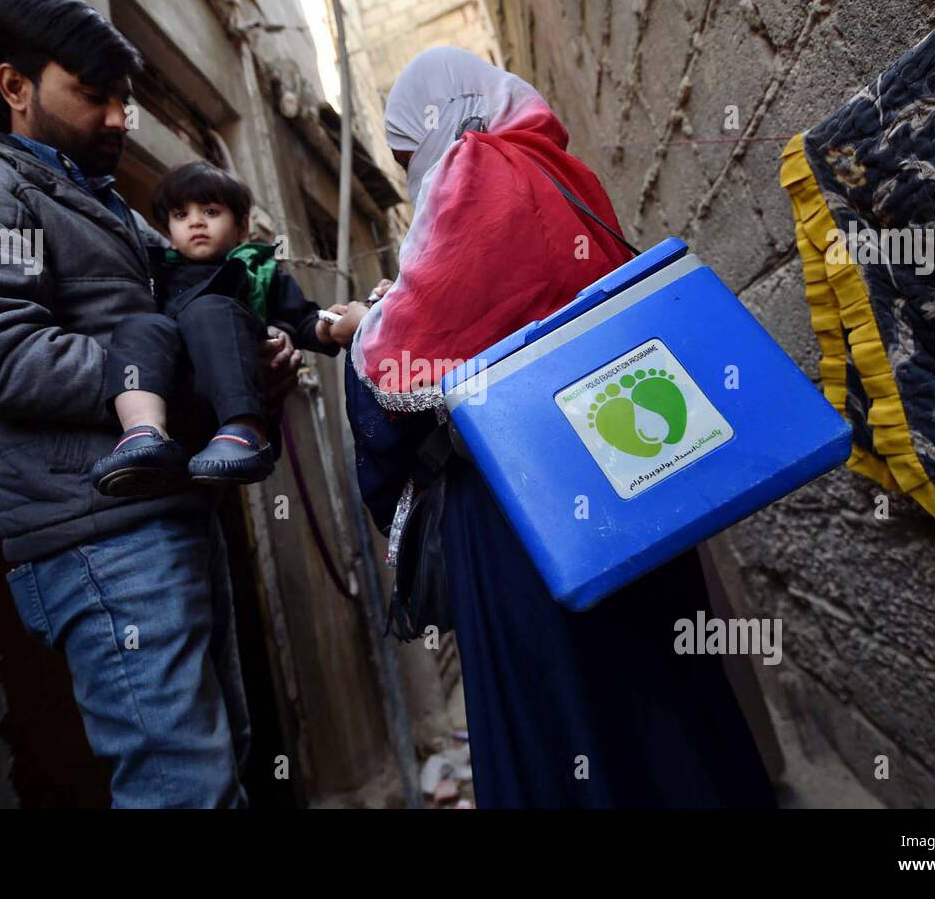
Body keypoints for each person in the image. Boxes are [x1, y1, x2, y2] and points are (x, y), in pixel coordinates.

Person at [319, 46, 776, 808]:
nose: (415, 174)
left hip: (525, 508)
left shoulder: (477, 171)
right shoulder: (559, 169)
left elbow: (402, 359)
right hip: (621, 476)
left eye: (411, 154)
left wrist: (363, 325)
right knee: (665, 706)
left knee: (568, 719)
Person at [0, 0, 298, 808]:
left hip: (172, 514)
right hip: (101, 541)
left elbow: (186, 308)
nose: (118, 119)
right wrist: (164, 382)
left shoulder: (99, 202)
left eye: (125, 99)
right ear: (15, 85)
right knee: (184, 789)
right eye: (93, 95)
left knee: (223, 769)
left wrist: (249, 356)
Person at [89, 161, 340, 494]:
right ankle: (143, 433)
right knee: (139, 325)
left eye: (210, 211)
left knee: (208, 309)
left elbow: (306, 321)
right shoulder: (158, 273)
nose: (196, 222)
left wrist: (331, 327)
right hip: (184, 400)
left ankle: (245, 430)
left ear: (242, 228)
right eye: (181, 215)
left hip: (238, 397)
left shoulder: (258, 272)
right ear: (168, 235)